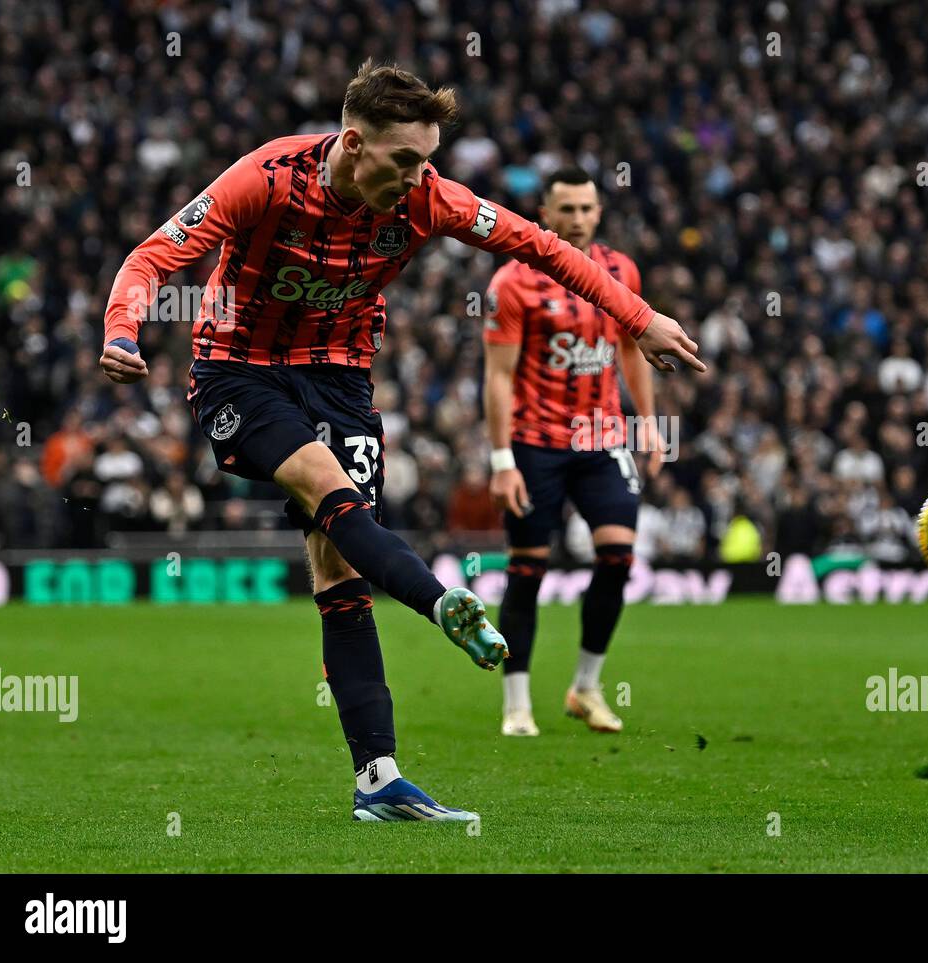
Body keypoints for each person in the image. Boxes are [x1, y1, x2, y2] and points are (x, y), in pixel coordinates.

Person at [99, 61, 703, 821]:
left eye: (430, 158)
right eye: (406, 159)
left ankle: (378, 778)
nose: (422, 175)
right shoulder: (266, 178)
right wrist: (123, 328)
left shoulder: (430, 199)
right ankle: (440, 597)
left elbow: (543, 248)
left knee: (340, 564)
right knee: (330, 491)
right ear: (353, 144)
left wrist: (639, 318)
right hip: (240, 370)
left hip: (344, 379)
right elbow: (156, 254)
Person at [482, 166, 663, 737]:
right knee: (529, 568)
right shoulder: (512, 282)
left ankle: (585, 688)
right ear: (546, 214)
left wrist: (650, 423)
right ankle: (516, 703)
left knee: (617, 558)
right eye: (568, 210)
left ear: (599, 212)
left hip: (601, 439)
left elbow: (632, 349)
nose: (579, 220)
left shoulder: (620, 271)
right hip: (536, 445)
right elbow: (498, 377)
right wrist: (501, 459)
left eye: (588, 209)